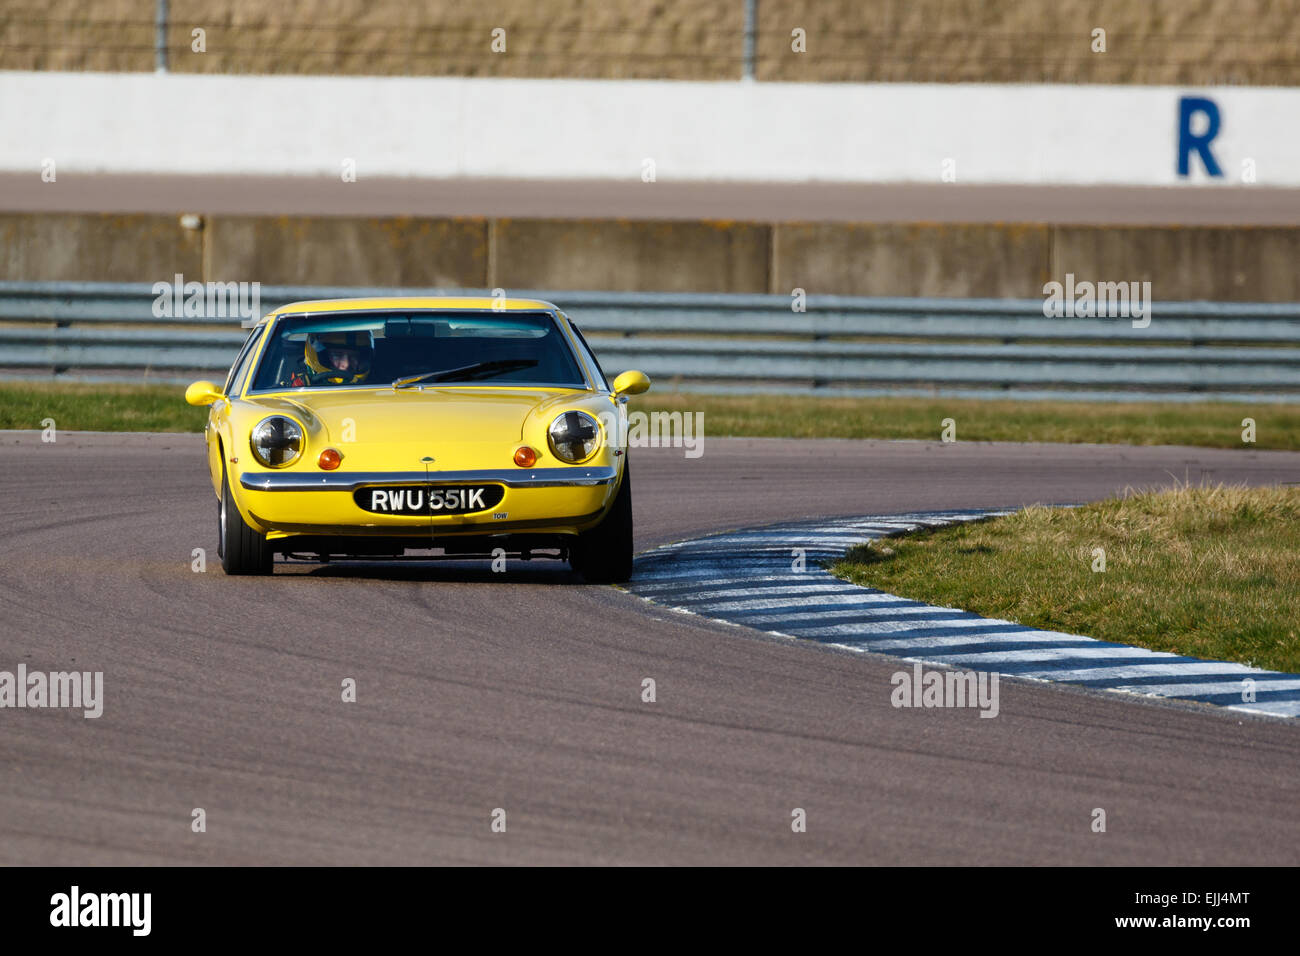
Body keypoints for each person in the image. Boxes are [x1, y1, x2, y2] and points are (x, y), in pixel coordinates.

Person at [291, 330, 373, 386]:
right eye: (337, 355)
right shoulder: (294, 386)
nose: (346, 365)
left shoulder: (381, 384)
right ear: (317, 355)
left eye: (354, 356)